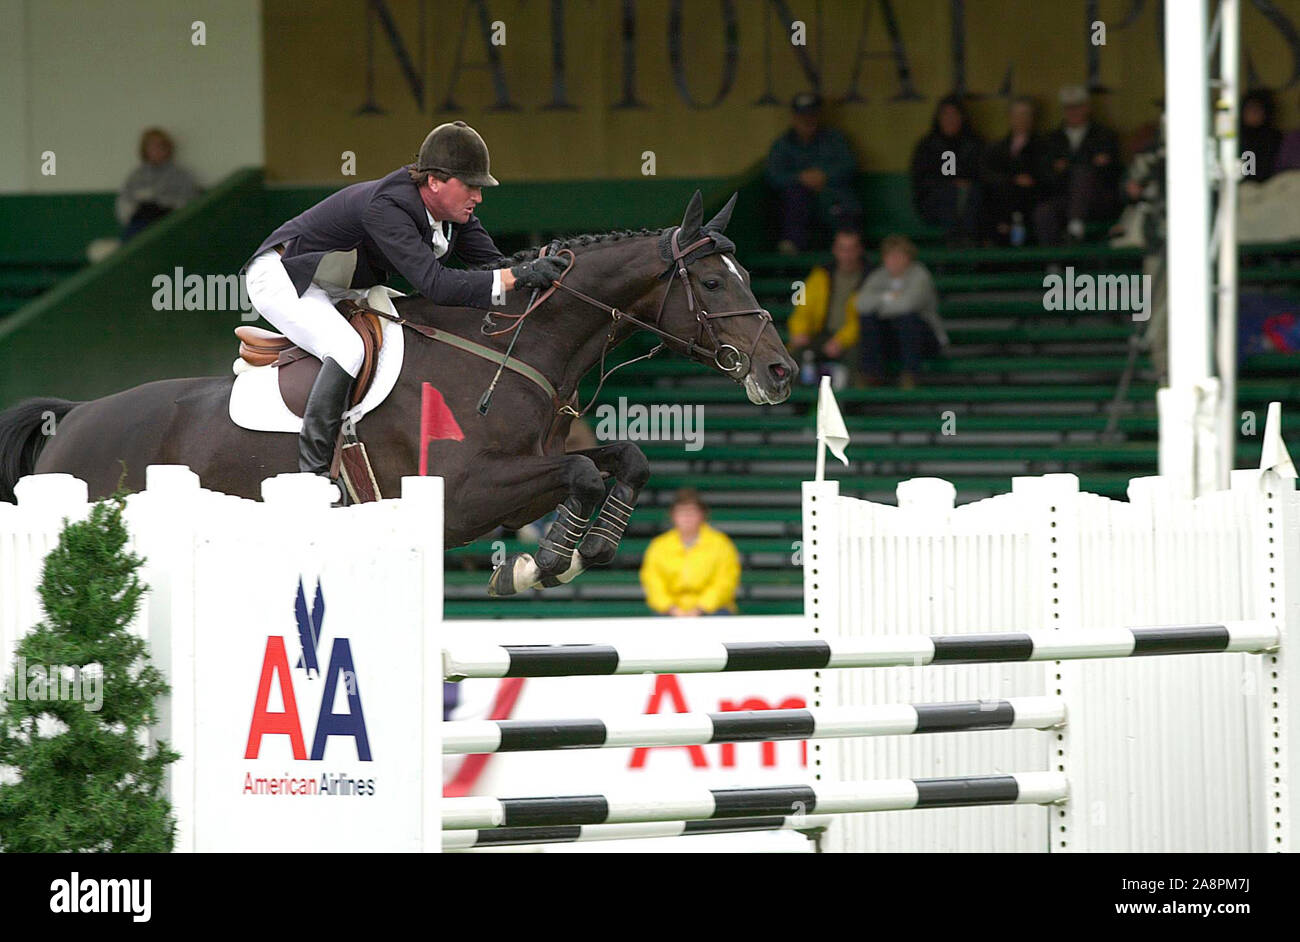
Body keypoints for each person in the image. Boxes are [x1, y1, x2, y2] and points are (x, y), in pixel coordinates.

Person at [242, 121, 566, 497]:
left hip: (336, 283)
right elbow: (435, 284)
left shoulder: (453, 216)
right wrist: (517, 275)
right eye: (471, 185)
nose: (478, 196)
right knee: (348, 349)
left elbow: (496, 267)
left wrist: (538, 269)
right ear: (434, 182)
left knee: (413, 326)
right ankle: (313, 477)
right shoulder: (389, 206)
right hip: (285, 276)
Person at [764, 91, 862, 253]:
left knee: (843, 203)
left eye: (811, 115)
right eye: (802, 115)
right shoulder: (783, 144)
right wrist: (801, 178)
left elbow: (849, 166)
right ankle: (791, 248)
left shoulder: (834, 139)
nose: (807, 119)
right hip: (799, 202)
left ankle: (845, 249)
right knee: (793, 198)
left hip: (830, 195)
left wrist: (824, 176)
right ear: (794, 117)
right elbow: (774, 176)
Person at [854, 235, 946, 390]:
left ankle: (910, 374)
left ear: (908, 257)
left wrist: (880, 305)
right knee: (868, 319)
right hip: (893, 339)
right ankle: (872, 374)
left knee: (907, 319)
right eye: (890, 255)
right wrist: (889, 297)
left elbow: (908, 305)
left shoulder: (919, 274)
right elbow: (861, 304)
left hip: (923, 339)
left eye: (899, 255)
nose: (895, 260)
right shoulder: (878, 276)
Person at [1033, 86, 1122, 245]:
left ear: (1087, 108)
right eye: (1068, 108)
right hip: (1064, 195)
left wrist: (1069, 166)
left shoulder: (1104, 135)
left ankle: (1076, 227)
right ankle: (1054, 262)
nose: (1073, 112)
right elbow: (1046, 172)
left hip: (1097, 198)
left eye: (1078, 107)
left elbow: (1111, 169)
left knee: (1083, 174)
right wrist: (1087, 162)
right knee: (1044, 212)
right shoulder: (1053, 139)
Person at [787, 228, 868, 389]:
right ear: (835, 250)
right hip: (822, 334)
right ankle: (799, 407)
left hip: (854, 339)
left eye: (852, 249)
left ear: (859, 250)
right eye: (843, 249)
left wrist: (842, 340)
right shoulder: (820, 275)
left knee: (857, 355)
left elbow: (864, 317)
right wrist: (799, 331)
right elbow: (803, 307)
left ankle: (849, 407)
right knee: (796, 353)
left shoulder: (870, 277)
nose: (847, 254)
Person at [639, 489, 741, 616]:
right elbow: (652, 582)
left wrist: (701, 608)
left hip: (713, 610)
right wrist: (671, 608)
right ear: (673, 515)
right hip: (670, 612)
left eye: (692, 512)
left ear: (702, 514)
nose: (687, 517)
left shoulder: (721, 544)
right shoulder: (658, 546)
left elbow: (725, 582)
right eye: (681, 512)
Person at [910, 95, 984, 243]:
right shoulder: (928, 146)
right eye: (945, 114)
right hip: (936, 204)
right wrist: (950, 184)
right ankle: (956, 244)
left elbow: (982, 176)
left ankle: (966, 246)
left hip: (972, 202)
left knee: (970, 195)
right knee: (951, 194)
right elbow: (921, 181)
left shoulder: (975, 144)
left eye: (954, 114)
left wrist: (964, 184)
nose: (950, 119)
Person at [116, 128, 201, 240]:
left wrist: (163, 204)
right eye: (151, 147)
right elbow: (125, 205)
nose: (156, 150)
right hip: (141, 223)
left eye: (161, 146)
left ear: (168, 148)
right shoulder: (136, 176)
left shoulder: (181, 175)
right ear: (144, 150)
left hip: (170, 223)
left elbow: (190, 202)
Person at [980, 97, 1042, 245]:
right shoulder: (996, 149)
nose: (1022, 119)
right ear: (1010, 118)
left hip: (1030, 203)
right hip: (1001, 204)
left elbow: (1044, 176)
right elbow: (987, 175)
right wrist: (1013, 180)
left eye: (1026, 115)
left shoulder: (1042, 146)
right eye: (1018, 115)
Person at [1240, 89, 1282, 182]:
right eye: (1249, 109)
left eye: (1257, 110)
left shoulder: (1274, 138)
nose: (1252, 114)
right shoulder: (1234, 139)